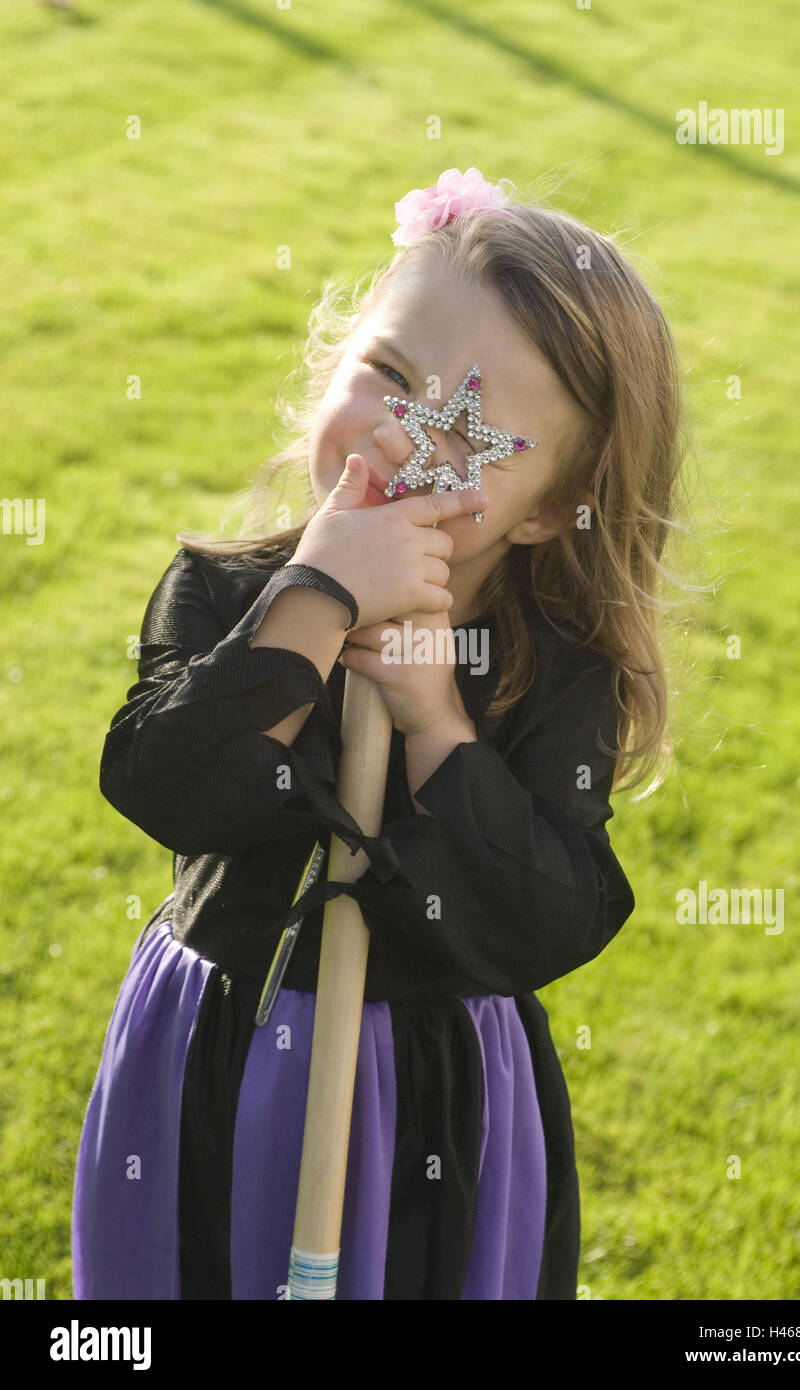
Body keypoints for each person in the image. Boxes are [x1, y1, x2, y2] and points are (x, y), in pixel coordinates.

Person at [72, 166, 687, 1301]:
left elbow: (549, 918)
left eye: (472, 434)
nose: (405, 439)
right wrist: (312, 602)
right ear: (335, 358)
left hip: (430, 1091)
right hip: (221, 1050)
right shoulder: (220, 593)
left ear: (552, 505)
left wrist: (437, 721)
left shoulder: (558, 674)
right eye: (390, 377)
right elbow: (166, 782)